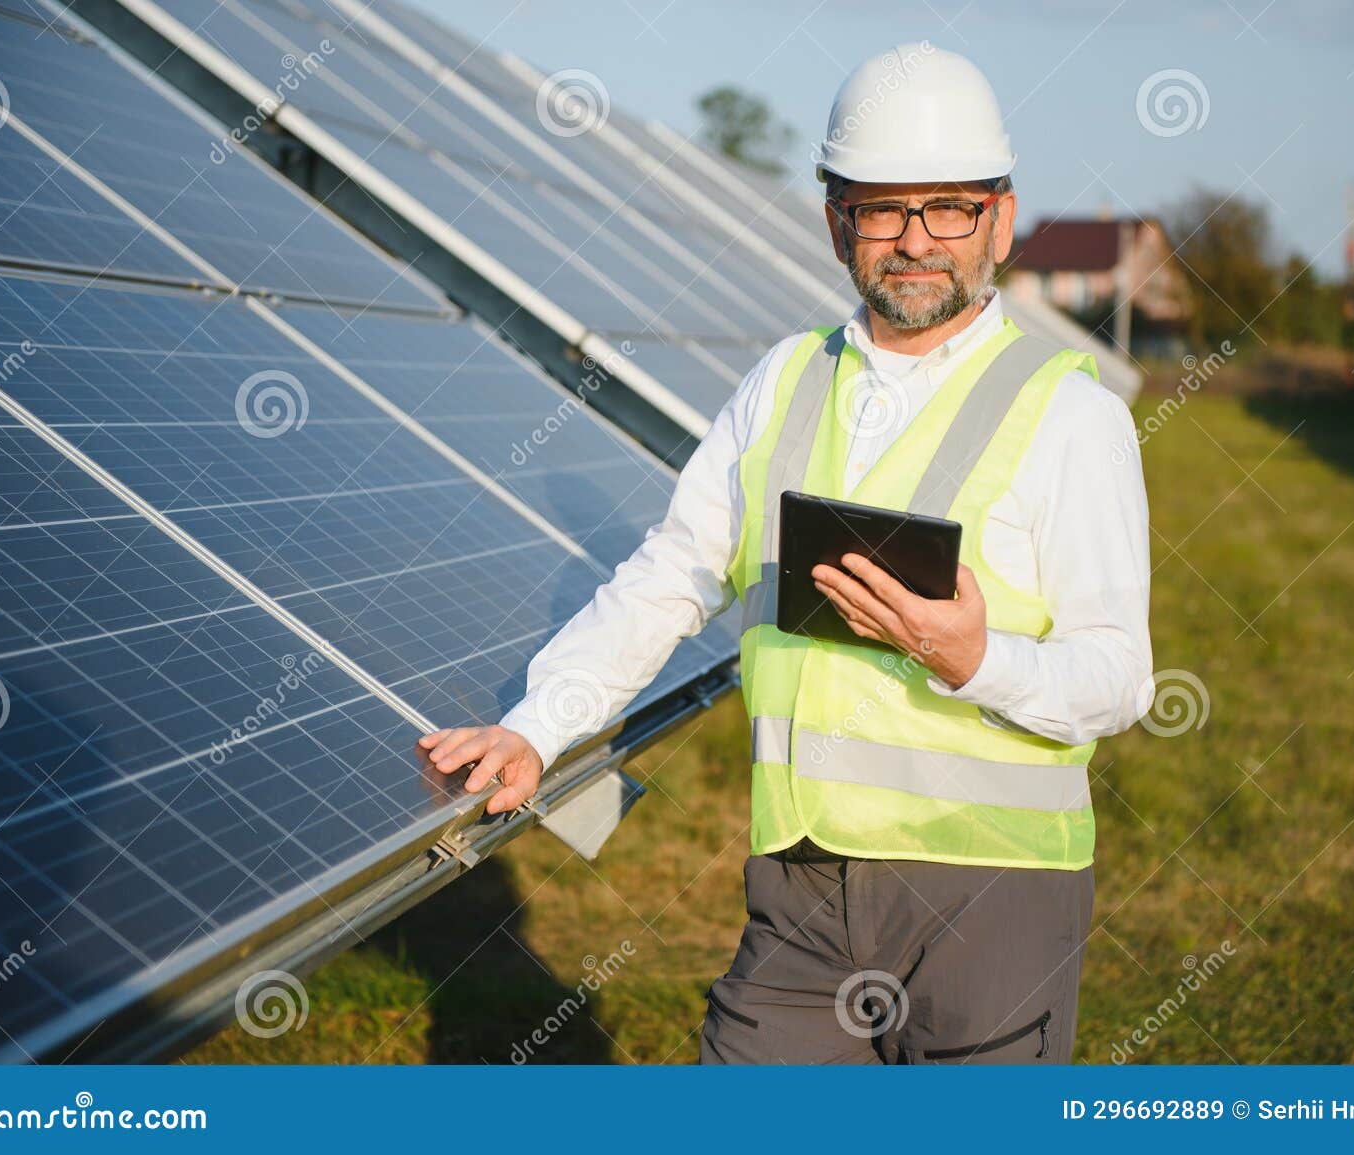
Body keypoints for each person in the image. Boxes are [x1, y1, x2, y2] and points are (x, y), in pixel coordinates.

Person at [419, 42, 1153, 1064]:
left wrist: (975, 661)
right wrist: (538, 727)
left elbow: (1119, 678)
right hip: (801, 893)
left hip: (997, 897)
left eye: (945, 207)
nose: (911, 241)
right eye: (878, 208)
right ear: (835, 221)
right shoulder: (783, 379)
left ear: (999, 219)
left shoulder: (1072, 415)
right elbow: (673, 572)